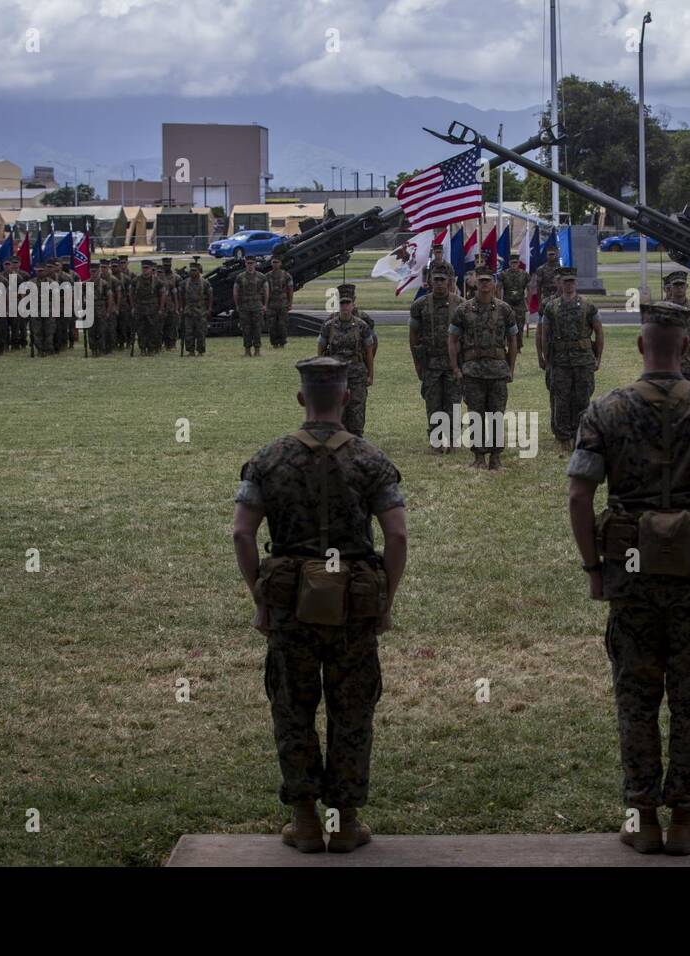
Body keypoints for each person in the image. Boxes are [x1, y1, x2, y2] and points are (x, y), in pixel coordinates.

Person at [566, 299, 690, 856]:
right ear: (688, 347)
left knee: (637, 695)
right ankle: (684, 820)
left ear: (642, 345)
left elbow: (579, 494)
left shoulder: (607, 409)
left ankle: (643, 818)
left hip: (630, 574)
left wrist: (594, 569)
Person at [232, 356, 408, 853]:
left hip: (291, 607)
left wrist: (260, 598)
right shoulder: (371, 460)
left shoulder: (268, 459)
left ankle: (305, 821)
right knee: (352, 710)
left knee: (293, 707)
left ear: (301, 398)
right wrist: (385, 600)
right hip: (354, 605)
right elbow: (396, 536)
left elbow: (243, 533)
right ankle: (346, 822)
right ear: (347, 398)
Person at [449, 267, 518, 469]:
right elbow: (452, 340)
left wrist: (511, 368)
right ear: (475, 283)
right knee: (475, 414)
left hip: (497, 370)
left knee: (497, 414)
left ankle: (495, 458)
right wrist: (456, 368)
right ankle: (478, 457)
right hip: (473, 371)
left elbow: (513, 340)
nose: (485, 284)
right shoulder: (463, 310)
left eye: (488, 281)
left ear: (494, 283)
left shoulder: (505, 309)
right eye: (481, 281)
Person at [538, 266, 602, 453]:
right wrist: (546, 357)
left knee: (583, 398)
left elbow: (598, 332)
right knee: (562, 399)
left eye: (572, 281)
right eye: (565, 281)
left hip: (583, 360)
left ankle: (581, 435)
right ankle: (564, 437)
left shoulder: (588, 306)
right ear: (561, 283)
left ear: (576, 282)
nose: (569, 284)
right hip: (560, 361)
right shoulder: (552, 306)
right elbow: (544, 333)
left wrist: (598, 358)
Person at [408, 261, 462, 452]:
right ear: (430, 281)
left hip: (453, 363)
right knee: (433, 404)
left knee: (453, 403)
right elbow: (413, 335)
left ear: (449, 281)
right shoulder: (420, 305)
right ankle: (436, 441)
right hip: (430, 364)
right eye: (435, 279)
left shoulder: (460, 304)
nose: (439, 283)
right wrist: (417, 364)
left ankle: (454, 440)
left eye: (442, 279)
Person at [318, 284, 375, 437]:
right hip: (336, 374)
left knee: (357, 408)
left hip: (357, 373)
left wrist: (370, 374)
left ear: (353, 304)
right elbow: (321, 348)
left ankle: (356, 440)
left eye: (347, 303)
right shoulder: (329, 326)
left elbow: (369, 350)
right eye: (342, 303)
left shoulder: (361, 326)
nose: (345, 306)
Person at [234, 256, 268, 356]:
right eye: (248, 263)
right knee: (246, 329)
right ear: (245, 264)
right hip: (244, 307)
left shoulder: (261, 277)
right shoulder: (240, 277)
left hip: (257, 306)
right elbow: (235, 292)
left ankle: (257, 350)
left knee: (257, 328)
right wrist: (237, 305)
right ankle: (247, 350)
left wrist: (265, 304)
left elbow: (266, 291)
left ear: (255, 264)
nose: (250, 265)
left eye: (252, 263)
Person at [498, 253, 529, 352]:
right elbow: (498, 288)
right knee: (506, 326)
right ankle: (508, 345)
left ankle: (518, 347)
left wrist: (528, 301)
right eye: (512, 263)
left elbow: (530, 288)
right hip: (508, 304)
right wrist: (499, 301)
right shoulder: (503, 274)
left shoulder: (524, 274)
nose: (514, 264)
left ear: (519, 263)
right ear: (509, 263)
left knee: (519, 326)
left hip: (520, 304)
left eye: (516, 262)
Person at [182, 260, 214, 356]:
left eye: (195, 270)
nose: (192, 272)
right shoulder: (185, 283)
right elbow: (181, 296)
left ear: (198, 271)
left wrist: (209, 308)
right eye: (191, 270)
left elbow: (210, 296)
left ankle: (200, 351)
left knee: (201, 332)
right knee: (188, 332)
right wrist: (181, 308)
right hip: (189, 311)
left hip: (201, 312)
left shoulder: (205, 283)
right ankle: (190, 351)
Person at [264, 253, 294, 349]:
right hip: (271, 305)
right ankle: (274, 343)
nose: (275, 264)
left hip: (283, 304)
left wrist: (290, 303)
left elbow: (290, 290)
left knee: (282, 324)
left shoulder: (286, 275)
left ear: (280, 263)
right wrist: (265, 304)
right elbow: (263, 291)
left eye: (277, 262)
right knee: (272, 325)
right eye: (273, 262)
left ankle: (282, 343)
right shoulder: (267, 276)